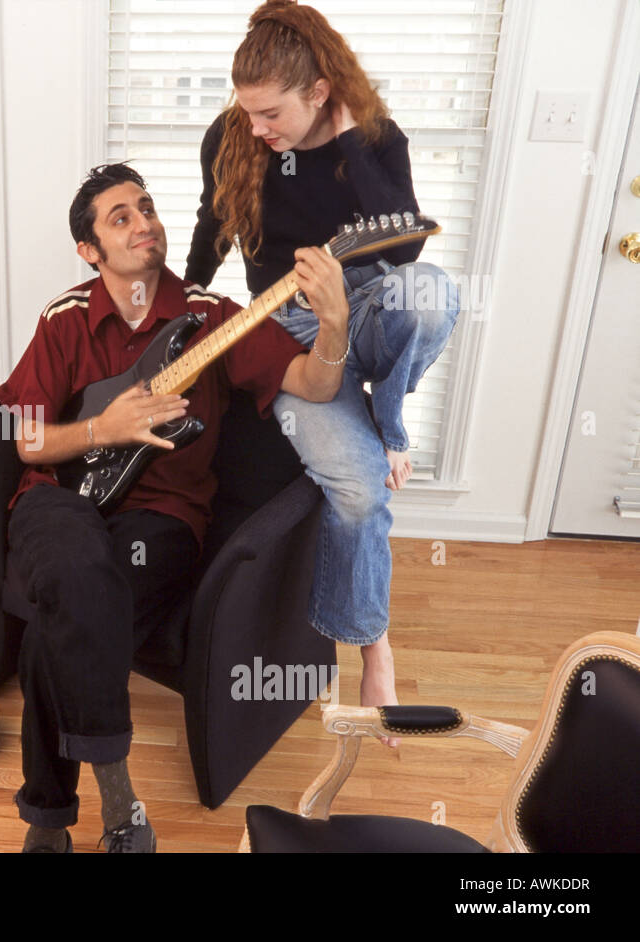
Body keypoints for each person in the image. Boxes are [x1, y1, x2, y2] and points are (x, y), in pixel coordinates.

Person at [0, 162, 350, 852]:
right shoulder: (65, 319)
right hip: (59, 500)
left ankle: (48, 820)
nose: (142, 221)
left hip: (160, 520)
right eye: (119, 216)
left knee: (49, 631)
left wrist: (332, 324)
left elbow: (312, 383)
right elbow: (30, 441)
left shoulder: (212, 318)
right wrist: (103, 430)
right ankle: (121, 806)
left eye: (146, 207)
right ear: (89, 251)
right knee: (71, 566)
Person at [185, 0, 460, 745]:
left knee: (433, 292)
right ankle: (372, 646)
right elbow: (212, 225)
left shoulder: (372, 138)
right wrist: (185, 292)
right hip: (291, 330)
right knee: (360, 489)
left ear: (318, 93)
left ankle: (391, 422)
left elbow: (402, 251)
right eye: (247, 112)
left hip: (369, 305)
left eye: (271, 113)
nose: (256, 129)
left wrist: (348, 143)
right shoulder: (233, 135)